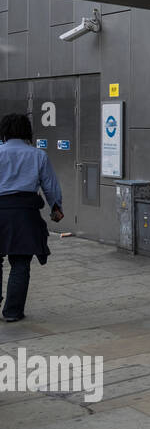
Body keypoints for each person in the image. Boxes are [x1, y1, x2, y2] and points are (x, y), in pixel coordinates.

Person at [0, 113, 63, 322]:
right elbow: (50, 185)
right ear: (27, 132)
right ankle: (12, 312)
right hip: (24, 215)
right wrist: (56, 207)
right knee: (20, 263)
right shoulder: (38, 155)